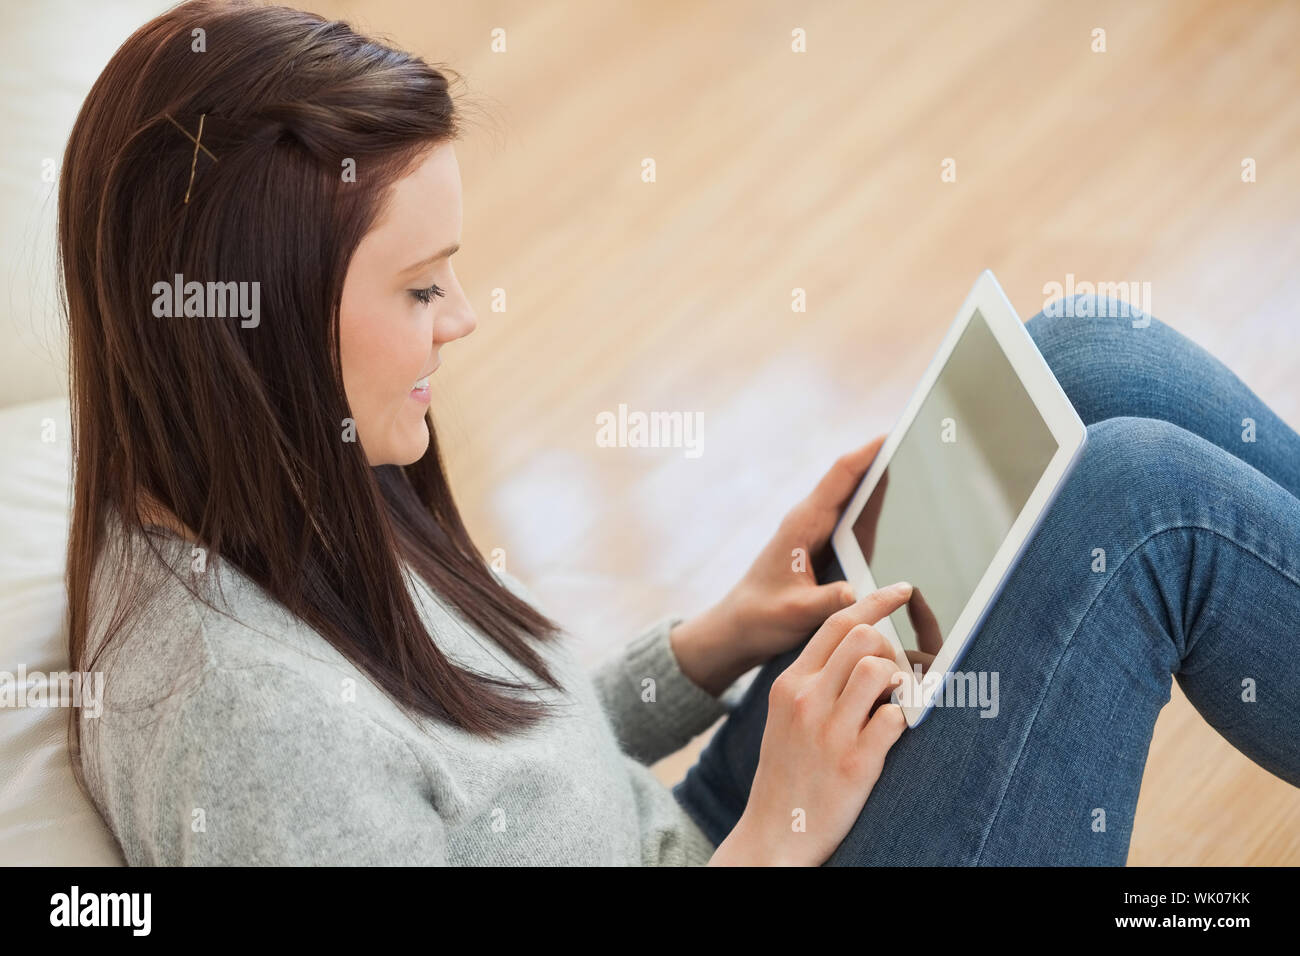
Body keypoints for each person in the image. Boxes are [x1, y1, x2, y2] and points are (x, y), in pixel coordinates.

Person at [62, 0, 1297, 867]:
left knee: (1082, 357)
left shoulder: (266, 470)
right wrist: (779, 832)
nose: (466, 317)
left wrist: (717, 642)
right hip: (748, 849)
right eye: (422, 286)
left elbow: (487, 774)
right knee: (1140, 511)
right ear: (262, 324)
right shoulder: (255, 735)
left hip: (692, 834)